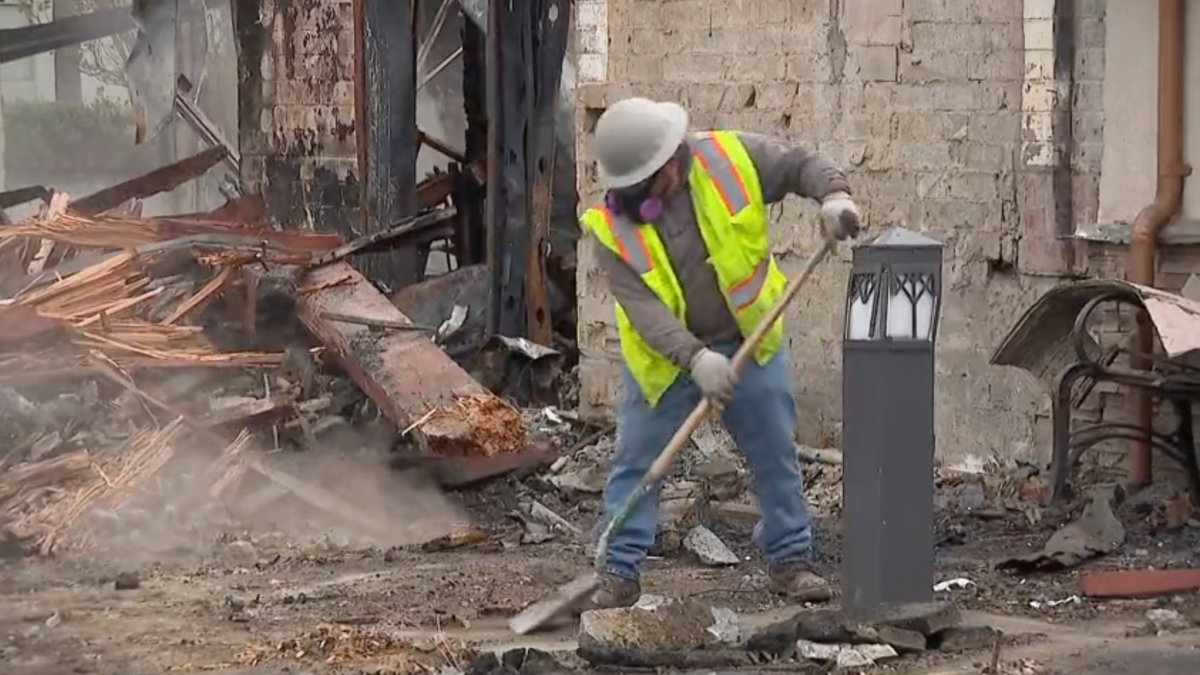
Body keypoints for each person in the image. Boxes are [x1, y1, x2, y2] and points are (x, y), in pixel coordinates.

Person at [577, 97, 862, 610]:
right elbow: (644, 310)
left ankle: (792, 560)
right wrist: (694, 358)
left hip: (746, 338)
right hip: (666, 360)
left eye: (645, 184)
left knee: (773, 447)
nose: (640, 197)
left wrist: (835, 197)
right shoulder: (611, 227)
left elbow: (801, 165)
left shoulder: (730, 159)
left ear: (669, 162)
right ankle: (618, 570)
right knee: (638, 461)